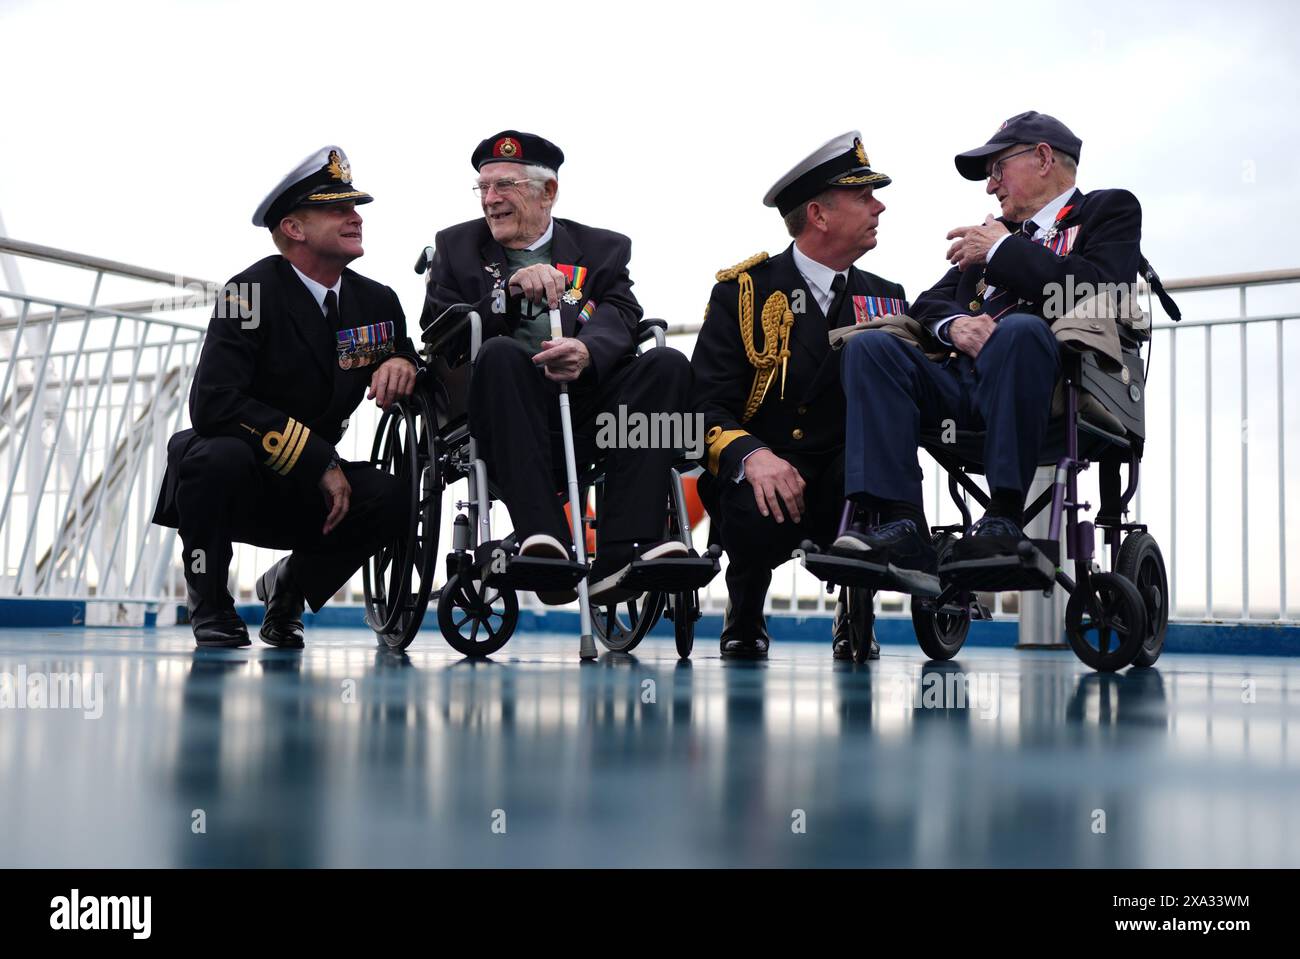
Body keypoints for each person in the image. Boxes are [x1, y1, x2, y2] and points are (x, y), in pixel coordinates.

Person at [837, 111, 1142, 575]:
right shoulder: (993, 235)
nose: (989, 186)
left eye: (997, 169)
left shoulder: (1107, 210)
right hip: (966, 388)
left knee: (1020, 331)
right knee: (870, 348)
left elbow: (1099, 290)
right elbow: (926, 304)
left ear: (1042, 158)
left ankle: (1003, 517)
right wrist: (955, 325)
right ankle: (901, 523)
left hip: (1055, 392)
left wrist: (1003, 251)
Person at [152, 146, 419, 648]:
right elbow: (213, 403)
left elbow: (404, 356)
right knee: (215, 455)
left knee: (396, 495)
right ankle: (210, 605)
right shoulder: (248, 293)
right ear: (294, 229)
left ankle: (289, 589)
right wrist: (318, 459)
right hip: (242, 474)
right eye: (338, 209)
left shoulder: (376, 302)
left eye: (354, 207)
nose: (355, 217)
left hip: (313, 490)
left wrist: (402, 361)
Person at [421, 130, 693, 606]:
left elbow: (622, 312)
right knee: (503, 353)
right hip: (501, 409)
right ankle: (543, 539)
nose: (490, 200)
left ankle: (624, 550)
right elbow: (437, 328)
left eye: (506, 186)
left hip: (589, 405)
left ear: (548, 192)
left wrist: (587, 352)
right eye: (482, 188)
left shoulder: (602, 248)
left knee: (666, 364)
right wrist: (504, 294)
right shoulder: (456, 246)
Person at [692, 131, 908, 659]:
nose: (879, 205)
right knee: (749, 494)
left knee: (872, 482)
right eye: (863, 196)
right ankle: (745, 607)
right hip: (766, 468)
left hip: (844, 473)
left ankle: (857, 608)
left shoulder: (886, 298)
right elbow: (704, 404)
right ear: (819, 214)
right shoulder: (743, 291)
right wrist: (753, 456)